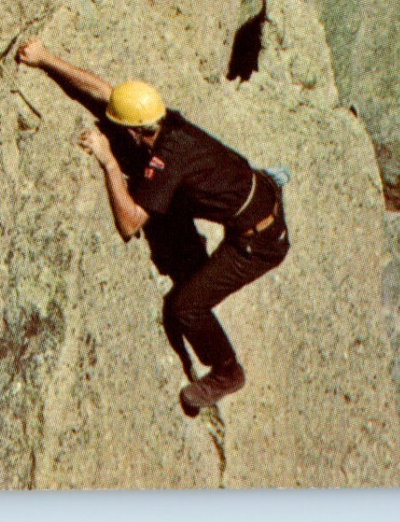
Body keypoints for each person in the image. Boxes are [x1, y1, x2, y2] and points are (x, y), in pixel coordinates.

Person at [15, 38, 289, 416]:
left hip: (258, 244)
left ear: (137, 132)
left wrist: (108, 160)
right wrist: (46, 59)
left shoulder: (168, 158)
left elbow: (129, 223)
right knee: (174, 208)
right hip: (256, 196)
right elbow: (104, 92)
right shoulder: (163, 120)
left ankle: (227, 371)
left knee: (185, 306)